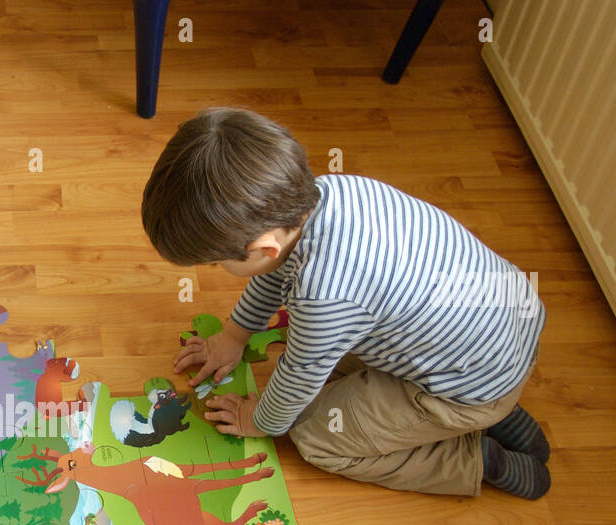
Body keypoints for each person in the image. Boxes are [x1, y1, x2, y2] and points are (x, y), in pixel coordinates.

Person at [142, 107, 550, 498]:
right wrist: (234, 335)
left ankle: (475, 457)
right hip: (504, 332)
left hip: (468, 388)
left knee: (314, 436)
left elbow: (299, 377)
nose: (216, 267)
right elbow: (274, 271)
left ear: (263, 248)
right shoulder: (330, 192)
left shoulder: (325, 296)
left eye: (216, 261)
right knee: (324, 363)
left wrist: (258, 419)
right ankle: (497, 410)